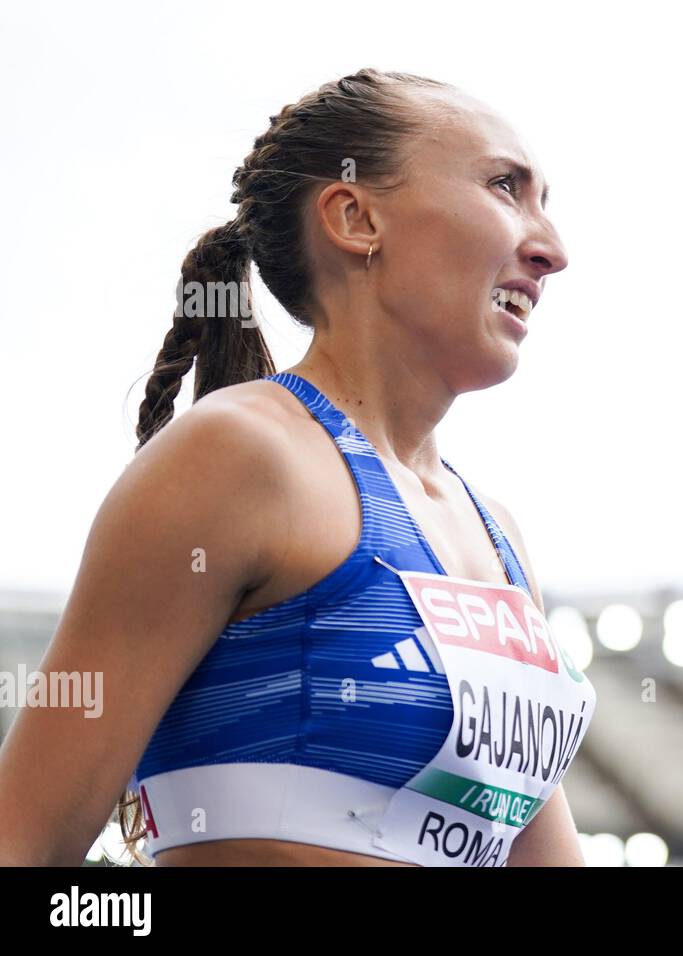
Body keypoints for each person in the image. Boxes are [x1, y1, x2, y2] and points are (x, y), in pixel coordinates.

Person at [0, 68, 595, 867]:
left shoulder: (498, 537)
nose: (550, 250)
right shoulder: (240, 457)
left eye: (545, 203)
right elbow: (22, 846)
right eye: (504, 188)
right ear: (354, 216)